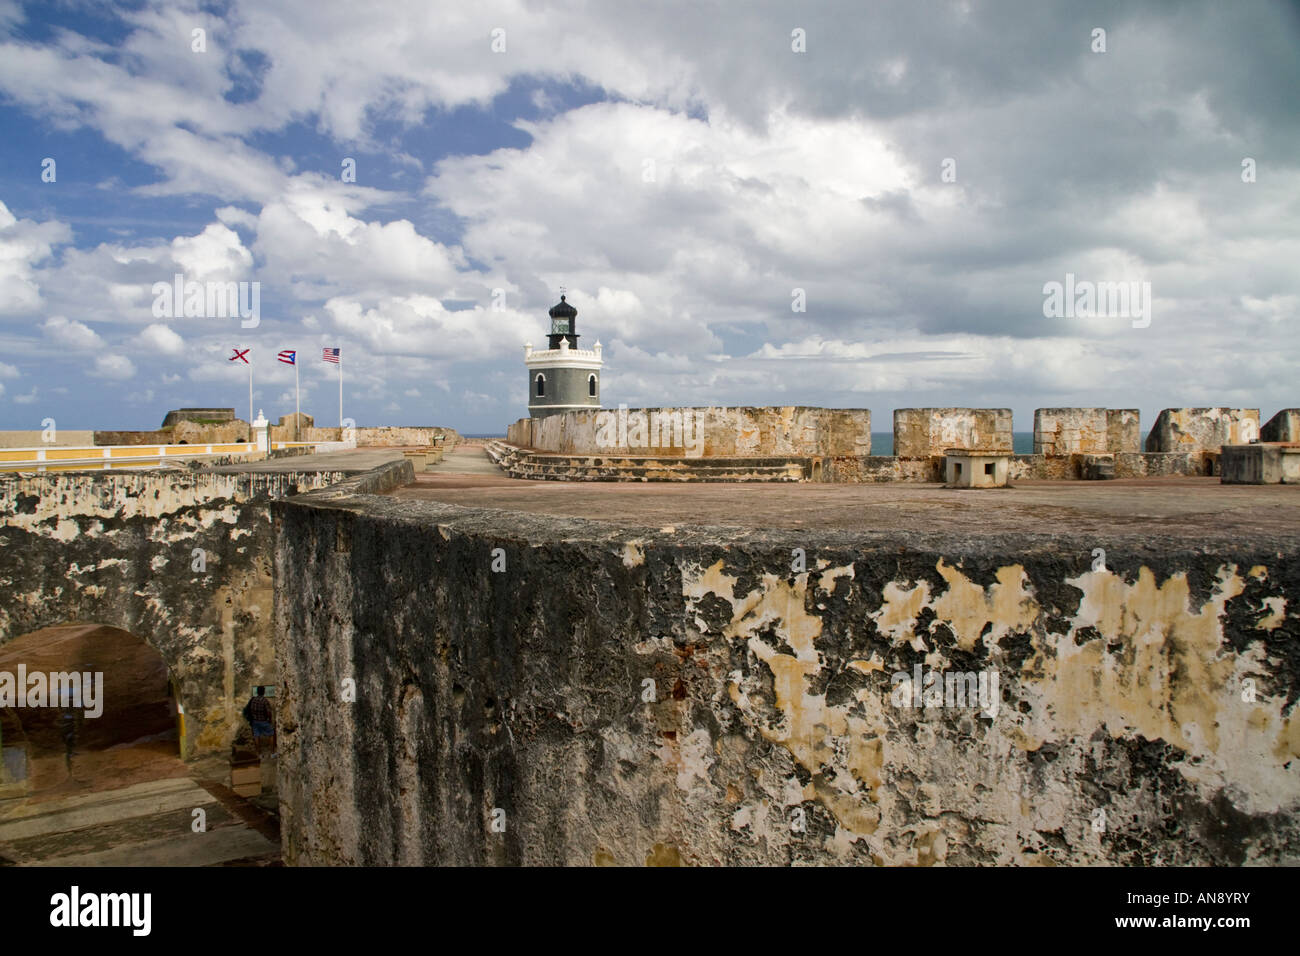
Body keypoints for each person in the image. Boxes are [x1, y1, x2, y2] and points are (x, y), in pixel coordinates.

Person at [243, 686, 275, 757]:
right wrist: (270, 720)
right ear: (264, 692)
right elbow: (269, 712)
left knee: (256, 736)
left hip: (255, 721)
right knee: (271, 734)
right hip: (263, 721)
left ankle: (259, 753)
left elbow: (250, 709)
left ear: (257, 691)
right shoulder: (265, 701)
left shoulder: (253, 700)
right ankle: (272, 753)